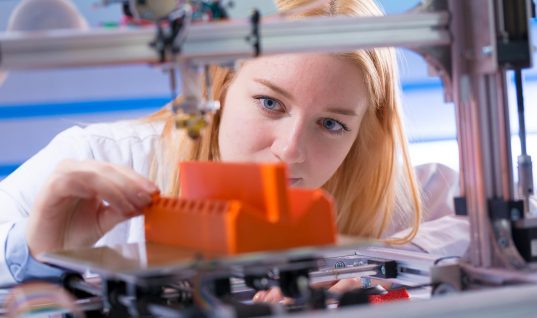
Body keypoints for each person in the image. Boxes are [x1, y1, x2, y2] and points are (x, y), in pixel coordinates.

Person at [0, 0, 467, 289]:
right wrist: (35, 254)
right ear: (220, 86)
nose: (289, 150)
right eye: (270, 102)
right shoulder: (98, 160)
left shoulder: (374, 189)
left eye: (330, 124)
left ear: (361, 132)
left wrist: (381, 263)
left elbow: (492, 225)